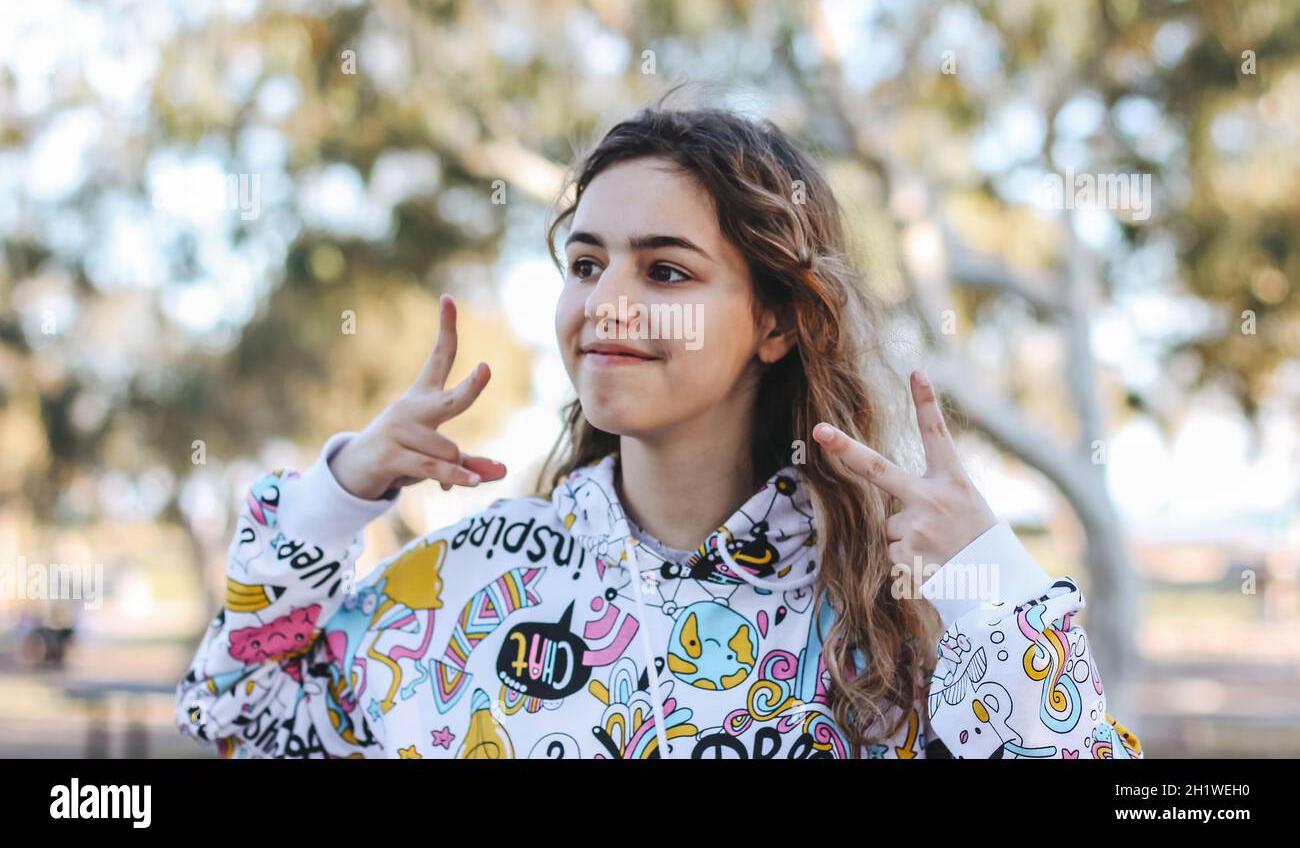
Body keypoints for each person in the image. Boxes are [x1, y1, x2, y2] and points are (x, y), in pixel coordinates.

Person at [175, 99, 1144, 759]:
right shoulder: (474, 578)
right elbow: (239, 713)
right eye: (587, 262)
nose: (606, 303)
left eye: (665, 270)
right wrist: (334, 496)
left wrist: (992, 581)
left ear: (777, 320)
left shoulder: (902, 613)